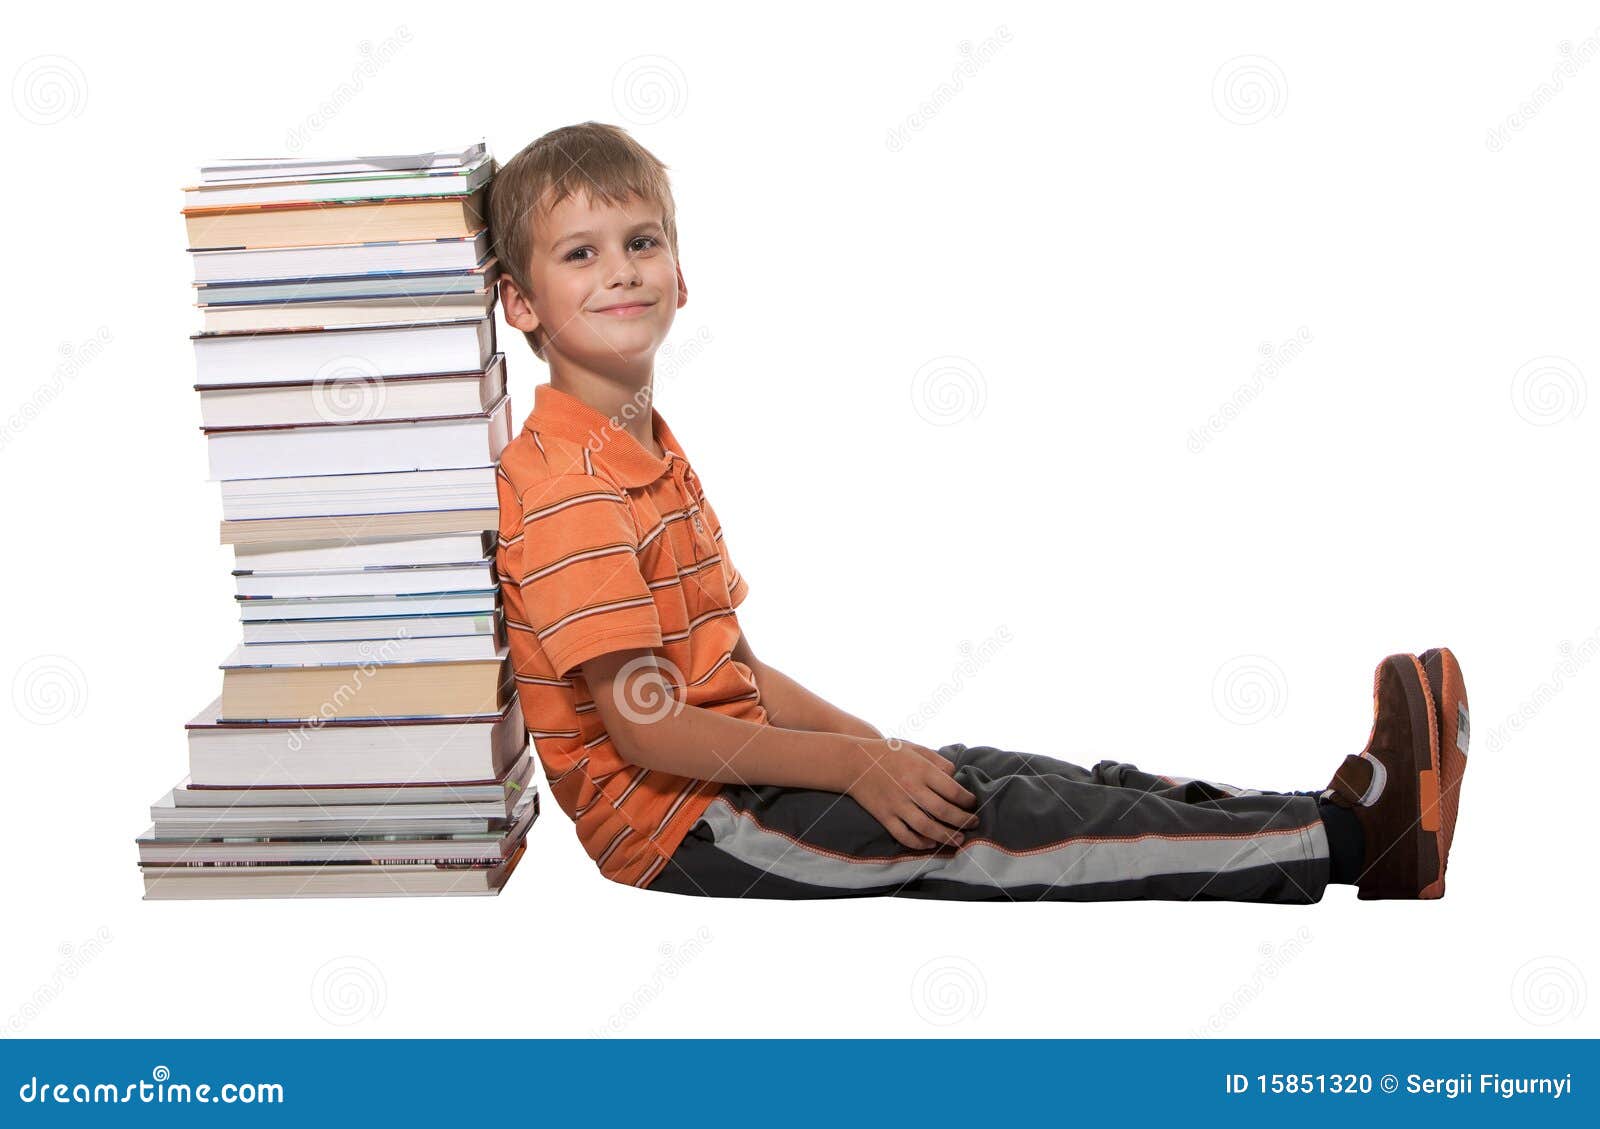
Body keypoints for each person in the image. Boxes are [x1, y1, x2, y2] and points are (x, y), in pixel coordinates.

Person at [487, 121, 1470, 903]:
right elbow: (649, 732)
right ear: (522, 304)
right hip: (684, 824)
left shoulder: (642, 444)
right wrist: (850, 769)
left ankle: (1339, 812)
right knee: (994, 826)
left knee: (987, 771)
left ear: (681, 274)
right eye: (580, 253)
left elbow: (727, 667)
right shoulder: (568, 482)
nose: (619, 269)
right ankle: (1349, 847)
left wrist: (872, 751)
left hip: (736, 773)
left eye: (641, 241)